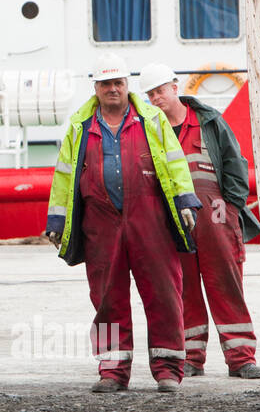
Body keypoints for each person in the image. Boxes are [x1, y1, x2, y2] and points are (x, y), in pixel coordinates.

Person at [45, 53, 201, 393]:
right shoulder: (79, 127)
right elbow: (64, 176)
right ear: (96, 88)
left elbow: (175, 164)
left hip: (151, 219)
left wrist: (186, 201)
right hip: (100, 223)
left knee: (164, 293)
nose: (112, 89)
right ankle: (111, 370)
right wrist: (57, 219)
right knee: (105, 298)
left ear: (127, 86)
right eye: (105, 84)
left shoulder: (152, 120)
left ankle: (168, 369)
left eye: (118, 83)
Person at [140, 64, 260, 379]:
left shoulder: (209, 121)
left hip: (217, 218)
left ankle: (241, 359)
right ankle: (191, 358)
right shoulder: (151, 132)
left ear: (174, 86)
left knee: (226, 285)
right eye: (150, 94)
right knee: (184, 289)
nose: (156, 98)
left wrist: (232, 208)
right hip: (176, 223)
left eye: (160, 90)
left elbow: (234, 162)